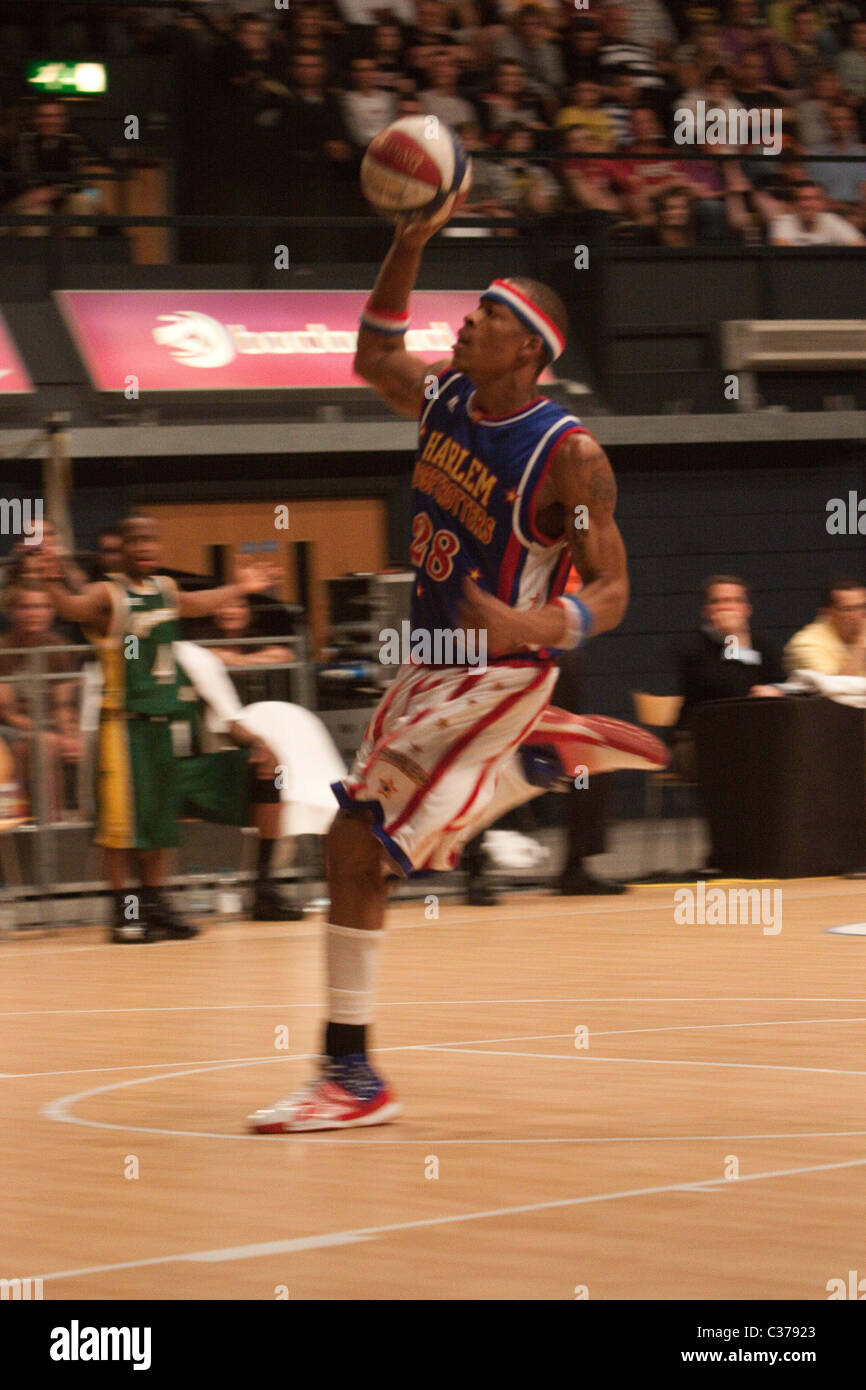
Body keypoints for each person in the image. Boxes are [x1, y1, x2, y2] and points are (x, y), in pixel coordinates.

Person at [247, 200, 633, 1133]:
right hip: (431, 662)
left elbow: (613, 587)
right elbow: (373, 356)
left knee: (357, 845)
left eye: (489, 314)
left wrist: (532, 620)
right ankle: (526, 768)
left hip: (498, 671)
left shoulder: (568, 457)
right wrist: (407, 241)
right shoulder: (448, 398)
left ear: (527, 351)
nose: (465, 320)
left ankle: (350, 1073)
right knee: (362, 862)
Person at [42, 515, 281, 944]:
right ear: (123, 547)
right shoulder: (108, 594)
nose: (145, 547)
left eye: (151, 539)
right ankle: (124, 914)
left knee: (159, 825)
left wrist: (240, 588)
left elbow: (203, 603)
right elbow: (69, 609)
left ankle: (155, 904)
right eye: (135, 540)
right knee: (119, 831)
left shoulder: (165, 592)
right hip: (123, 728)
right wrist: (50, 582)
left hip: (160, 728)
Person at [670, 574, 785, 780]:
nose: (728, 608)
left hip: (753, 737)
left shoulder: (764, 645)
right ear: (707, 611)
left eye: (736, 601)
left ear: (747, 609)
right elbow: (732, 690)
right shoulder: (692, 649)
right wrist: (734, 638)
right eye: (719, 602)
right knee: (743, 758)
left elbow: (783, 684)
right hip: (698, 740)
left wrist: (777, 691)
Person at [0, 583, 82, 820]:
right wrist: (47, 733)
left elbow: (63, 704)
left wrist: (69, 735)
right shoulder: (3, 648)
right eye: (26, 607)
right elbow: (8, 713)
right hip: (9, 727)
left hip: (43, 728)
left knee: (58, 744)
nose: (34, 613)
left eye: (41, 606)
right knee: (40, 745)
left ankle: (52, 828)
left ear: (51, 611)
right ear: (13, 611)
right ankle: (38, 826)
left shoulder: (59, 647)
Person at [783, 576, 866, 677]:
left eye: (862, 607)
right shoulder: (806, 644)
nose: (860, 615)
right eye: (848, 609)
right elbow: (836, 688)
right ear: (827, 613)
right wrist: (861, 642)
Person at [769, 179, 865, 243]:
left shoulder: (833, 221)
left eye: (815, 199)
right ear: (795, 204)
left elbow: (859, 246)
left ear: (823, 204)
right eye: (804, 199)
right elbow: (781, 253)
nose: (809, 205)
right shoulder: (783, 222)